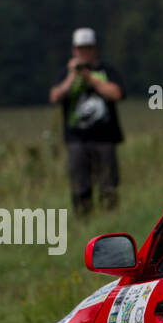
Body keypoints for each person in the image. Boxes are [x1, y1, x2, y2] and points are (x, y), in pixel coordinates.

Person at [49, 27, 125, 212]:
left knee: (108, 185)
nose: (84, 52)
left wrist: (90, 78)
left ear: (94, 49)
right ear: (74, 50)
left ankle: (111, 220)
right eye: (80, 48)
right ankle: (85, 221)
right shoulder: (67, 74)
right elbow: (55, 97)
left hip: (105, 138)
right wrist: (71, 77)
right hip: (76, 140)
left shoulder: (105, 70)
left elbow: (117, 93)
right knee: (80, 186)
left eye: (87, 48)